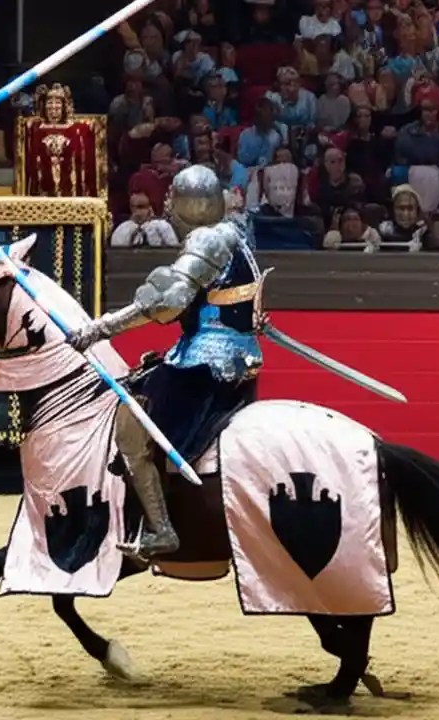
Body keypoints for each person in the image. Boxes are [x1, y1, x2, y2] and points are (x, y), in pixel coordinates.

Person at [65, 165, 262, 559]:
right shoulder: (236, 233)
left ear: (189, 203)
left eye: (173, 196)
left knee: (132, 427)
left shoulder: (206, 240)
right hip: (241, 357)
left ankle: (161, 530)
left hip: (207, 364)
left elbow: (165, 304)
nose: (167, 203)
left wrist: (100, 329)